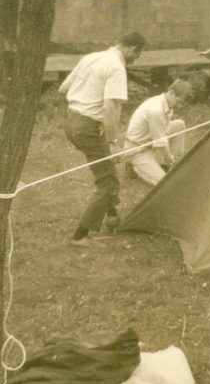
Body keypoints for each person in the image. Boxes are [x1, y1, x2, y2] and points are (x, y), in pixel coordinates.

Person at [59, 32, 147, 247]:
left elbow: (63, 89)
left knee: (105, 171)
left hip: (71, 122)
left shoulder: (91, 57)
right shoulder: (116, 67)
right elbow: (109, 107)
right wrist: (114, 141)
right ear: (132, 49)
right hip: (88, 127)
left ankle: (112, 216)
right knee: (108, 183)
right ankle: (80, 236)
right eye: (137, 55)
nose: (135, 59)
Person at [124, 80, 193, 186]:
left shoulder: (166, 103)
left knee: (179, 124)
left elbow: (161, 133)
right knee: (165, 183)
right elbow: (160, 143)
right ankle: (134, 167)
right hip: (137, 149)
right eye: (178, 101)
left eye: (182, 103)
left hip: (149, 141)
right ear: (171, 92)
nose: (179, 106)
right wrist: (170, 160)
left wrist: (170, 160)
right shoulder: (156, 110)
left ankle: (166, 166)